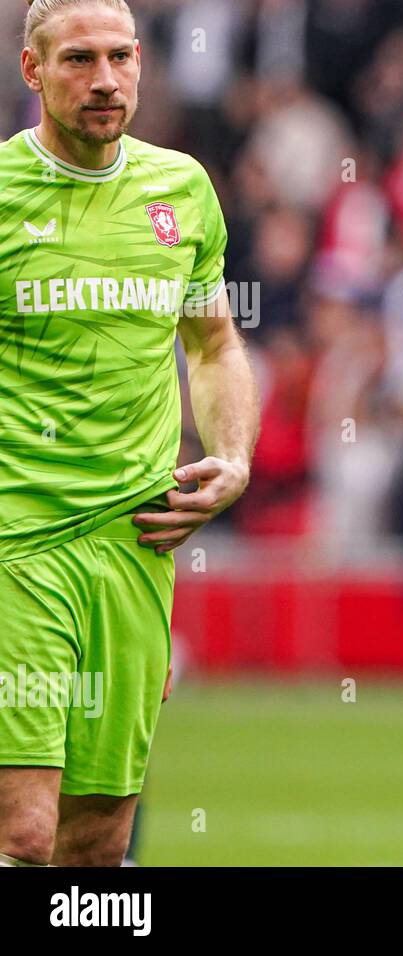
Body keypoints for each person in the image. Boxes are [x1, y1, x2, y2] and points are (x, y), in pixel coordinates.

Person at [0, 0, 258, 867]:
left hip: (135, 544)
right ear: (33, 71)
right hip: (17, 543)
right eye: (78, 60)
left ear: (143, 62)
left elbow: (214, 341)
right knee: (25, 833)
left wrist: (233, 458)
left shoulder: (181, 189)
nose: (104, 80)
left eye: (119, 57)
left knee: (99, 843)